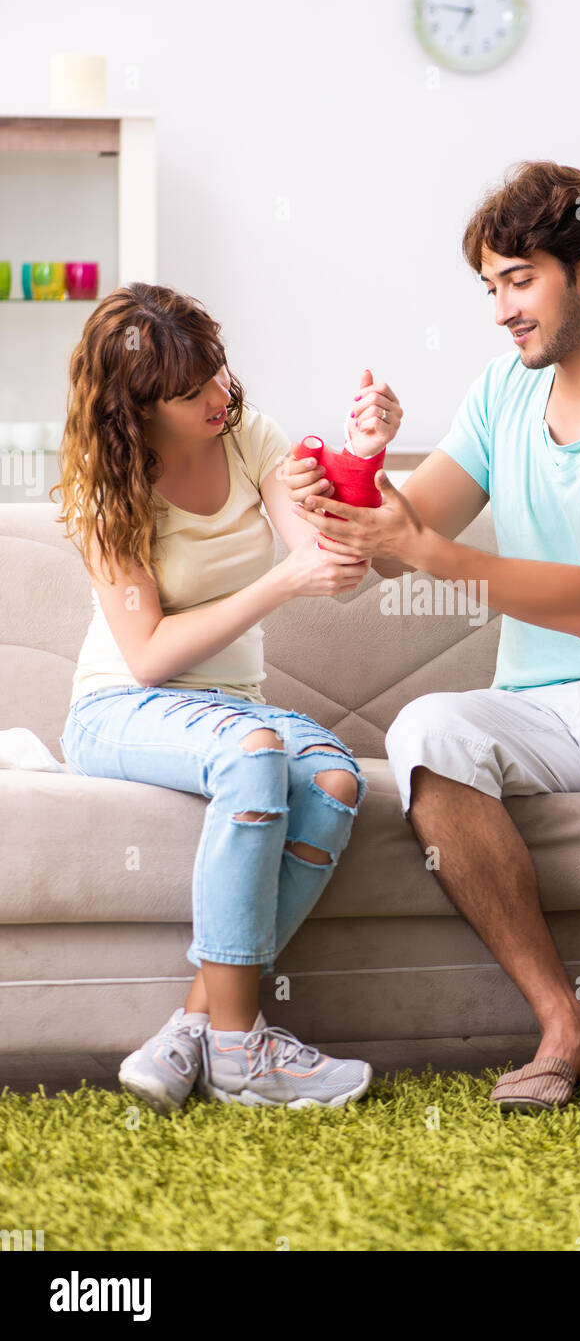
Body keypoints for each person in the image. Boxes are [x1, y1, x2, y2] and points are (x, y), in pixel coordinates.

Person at [283, 159, 580, 1124]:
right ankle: (562, 1029)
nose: (501, 308)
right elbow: (403, 537)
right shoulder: (505, 391)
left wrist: (421, 547)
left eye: (519, 279)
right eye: (490, 285)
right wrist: (358, 467)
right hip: (544, 705)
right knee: (426, 729)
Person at [51, 282, 402, 1114]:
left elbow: (328, 565)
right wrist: (281, 584)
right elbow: (145, 657)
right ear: (135, 409)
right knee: (256, 756)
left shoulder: (249, 435)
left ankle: (191, 1029)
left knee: (334, 782)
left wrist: (359, 462)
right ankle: (243, 1051)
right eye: (190, 391)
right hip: (120, 710)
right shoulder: (106, 492)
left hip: (229, 709)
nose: (219, 396)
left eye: (217, 372)